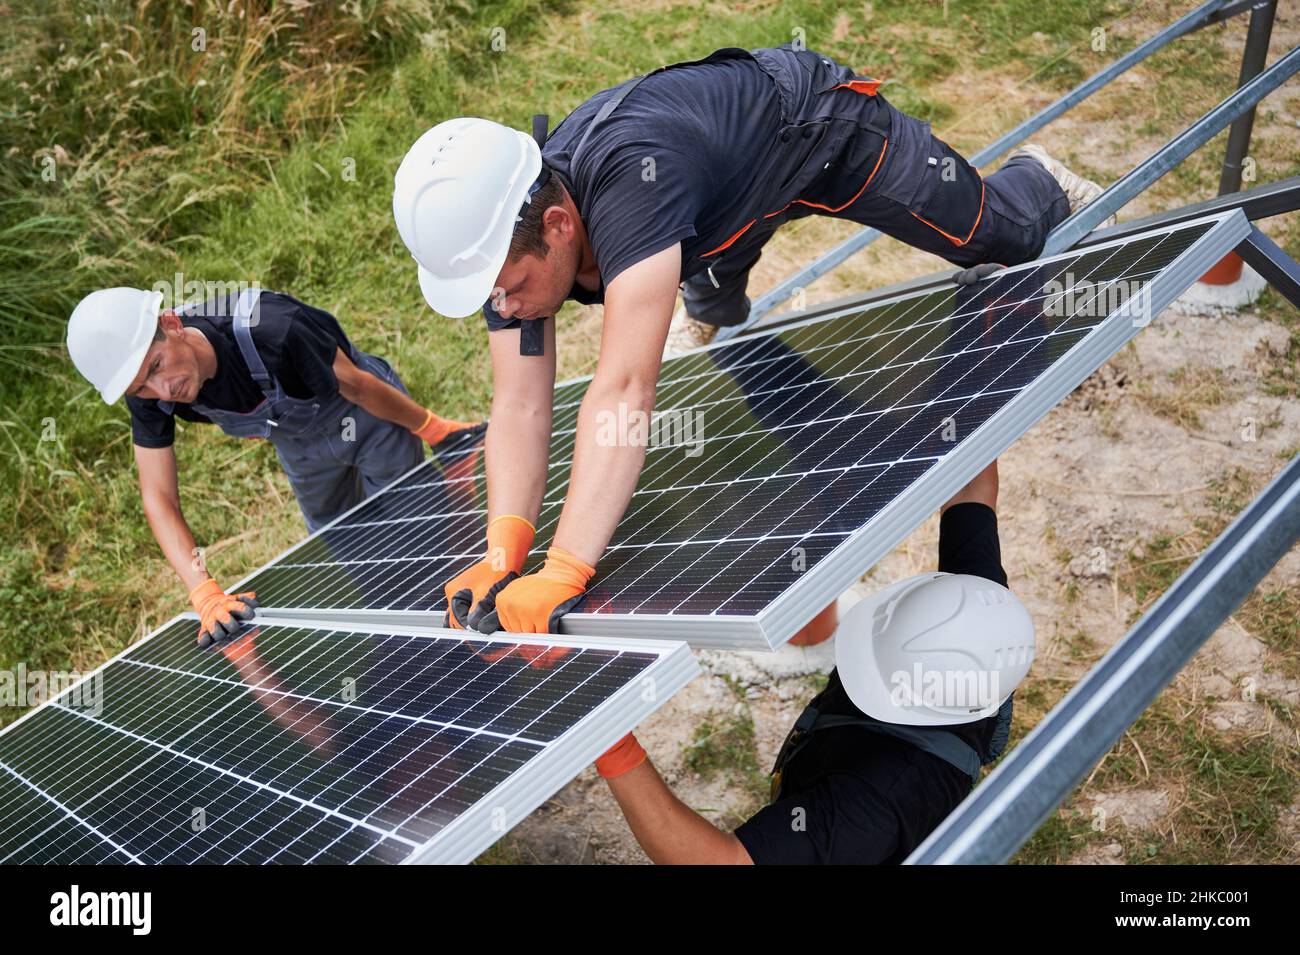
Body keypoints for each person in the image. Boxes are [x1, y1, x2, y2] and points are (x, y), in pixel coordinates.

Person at [392, 43, 1105, 639]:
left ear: (558, 227)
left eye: (510, 287)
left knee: (995, 236)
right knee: (716, 297)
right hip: (712, 212)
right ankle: (704, 293)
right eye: (491, 294)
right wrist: (503, 549)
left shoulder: (635, 191)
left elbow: (623, 391)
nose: (505, 306)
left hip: (821, 135)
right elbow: (518, 404)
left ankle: (1035, 181)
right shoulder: (507, 249)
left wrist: (564, 568)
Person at [592, 460, 1035, 863]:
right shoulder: (978, 615)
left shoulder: (868, 806)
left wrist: (615, 747)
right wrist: (966, 399)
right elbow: (972, 491)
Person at [66, 286, 480, 646]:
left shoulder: (271, 328)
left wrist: (430, 426)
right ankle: (421, 643)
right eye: (142, 386)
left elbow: (356, 384)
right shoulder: (146, 390)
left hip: (364, 414)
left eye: (157, 367)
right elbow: (157, 496)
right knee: (356, 551)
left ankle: (473, 622)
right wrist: (203, 592)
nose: (162, 391)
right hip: (297, 445)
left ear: (171, 323)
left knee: (423, 529)